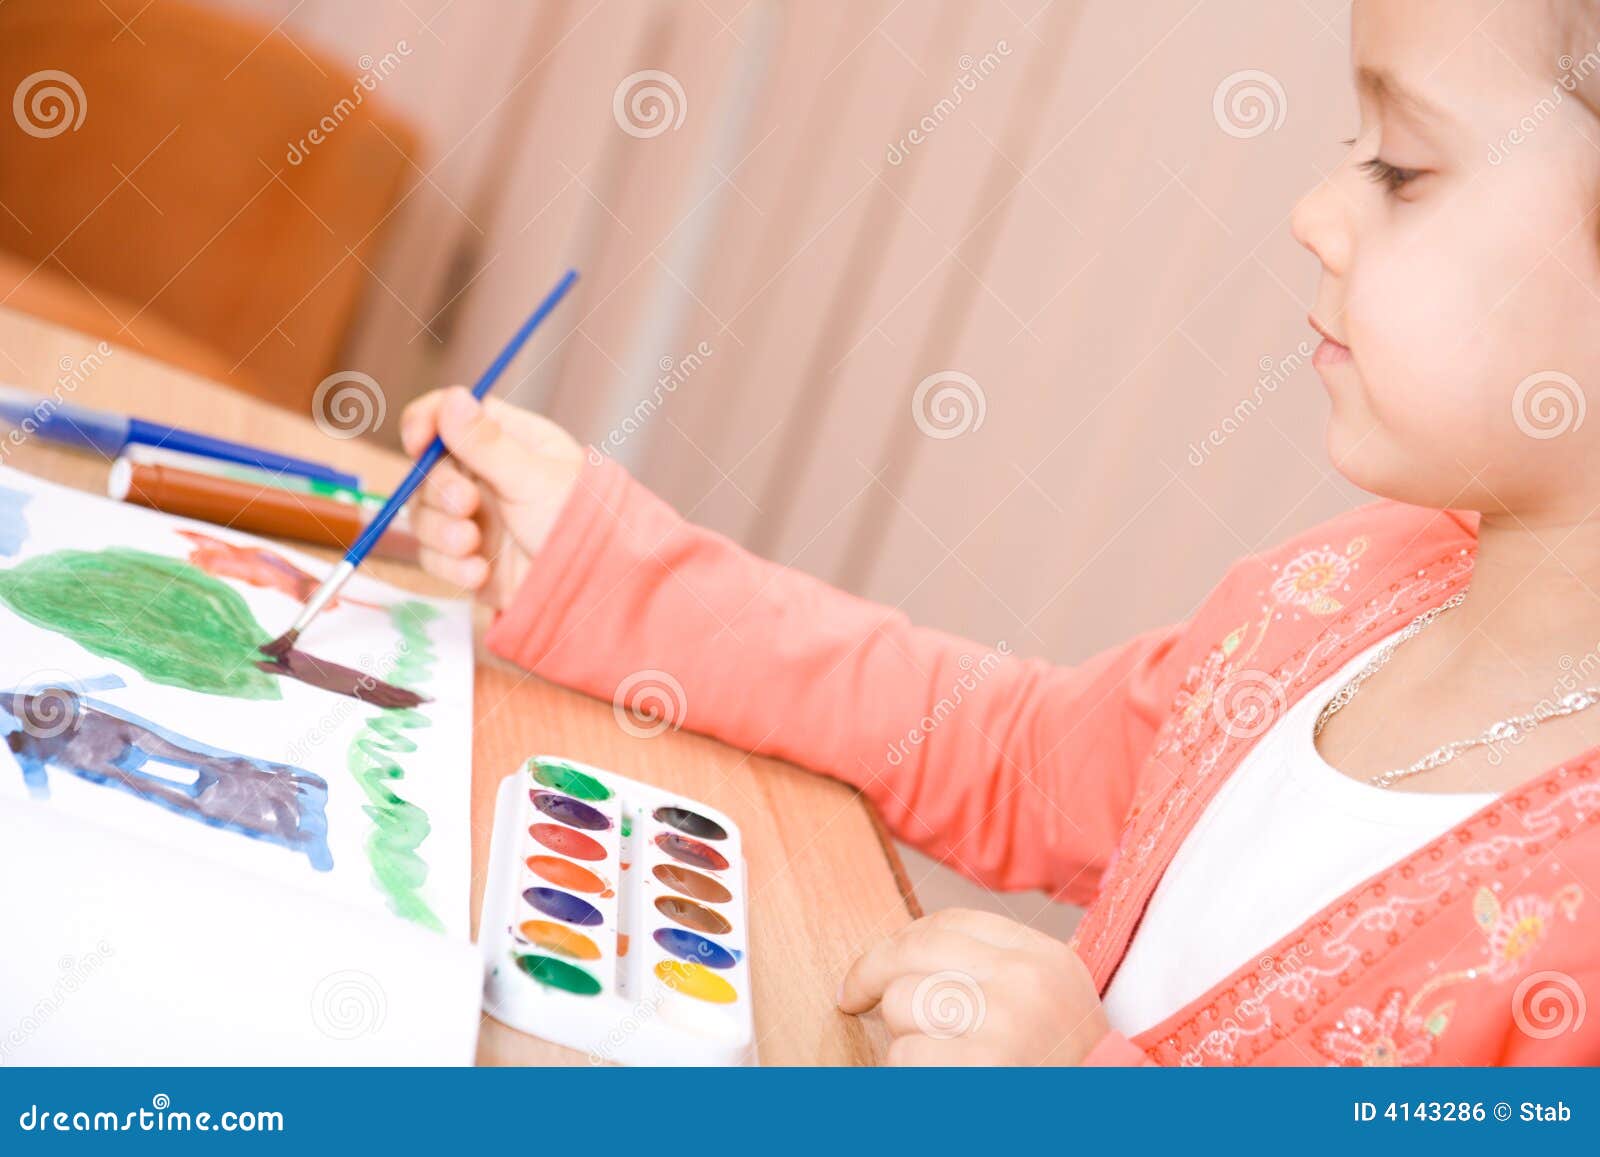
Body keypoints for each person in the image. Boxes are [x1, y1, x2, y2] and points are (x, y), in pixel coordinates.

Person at [399, 0, 1600, 1065]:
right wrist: (609, 570)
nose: (1313, 210)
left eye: (1400, 166)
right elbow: (1004, 750)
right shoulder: (1336, 594)